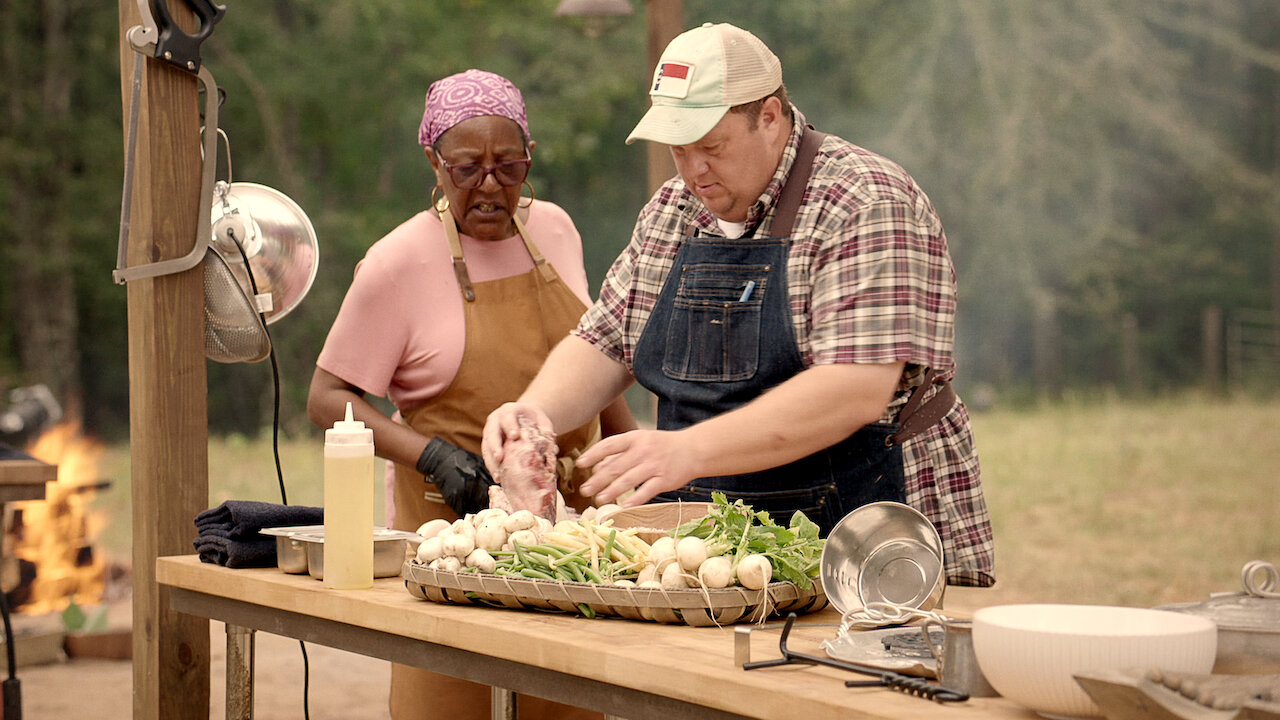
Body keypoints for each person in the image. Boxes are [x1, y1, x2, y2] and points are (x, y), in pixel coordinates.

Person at [483, 24, 994, 588]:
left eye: (711, 146)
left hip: (866, 534)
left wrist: (688, 451)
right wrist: (532, 416)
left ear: (770, 116)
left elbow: (857, 387)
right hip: (712, 546)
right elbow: (606, 340)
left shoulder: (864, 202)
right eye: (679, 148)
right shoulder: (673, 210)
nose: (692, 169)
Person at [308, 68, 633, 720]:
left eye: (508, 166)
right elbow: (327, 397)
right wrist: (430, 456)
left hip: (570, 544)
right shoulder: (397, 262)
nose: (490, 186)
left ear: (529, 159)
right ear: (433, 161)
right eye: (467, 169)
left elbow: (597, 358)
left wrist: (627, 454)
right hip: (450, 545)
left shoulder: (558, 232)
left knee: (568, 700)